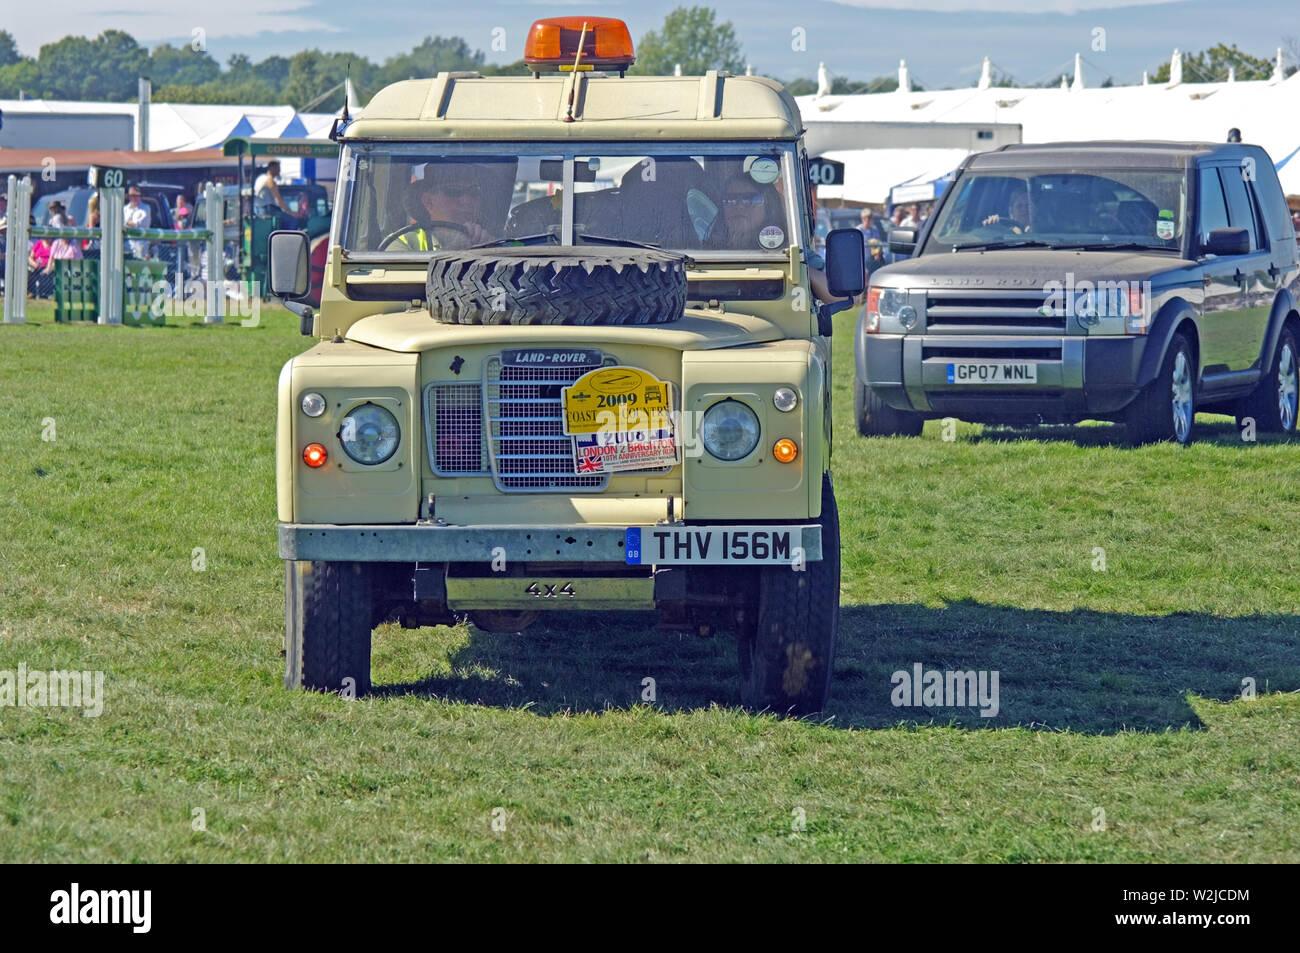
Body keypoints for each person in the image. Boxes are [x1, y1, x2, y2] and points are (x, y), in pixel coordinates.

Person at [386, 163, 494, 251]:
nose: (467, 201)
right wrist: (456, 249)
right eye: (453, 191)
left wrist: (490, 250)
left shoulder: (493, 242)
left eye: (474, 192)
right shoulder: (402, 242)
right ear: (428, 201)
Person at [254, 161, 303, 229]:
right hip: (268, 210)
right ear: (272, 169)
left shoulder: (260, 178)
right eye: (278, 169)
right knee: (292, 220)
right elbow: (278, 201)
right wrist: (291, 212)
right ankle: (288, 235)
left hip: (257, 209)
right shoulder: (270, 181)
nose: (279, 171)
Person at [124, 187, 152, 258]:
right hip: (126, 245)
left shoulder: (145, 208)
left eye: (137, 196)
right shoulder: (125, 209)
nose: (135, 198)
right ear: (128, 196)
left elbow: (138, 224)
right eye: (132, 196)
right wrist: (126, 223)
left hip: (141, 246)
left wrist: (126, 223)